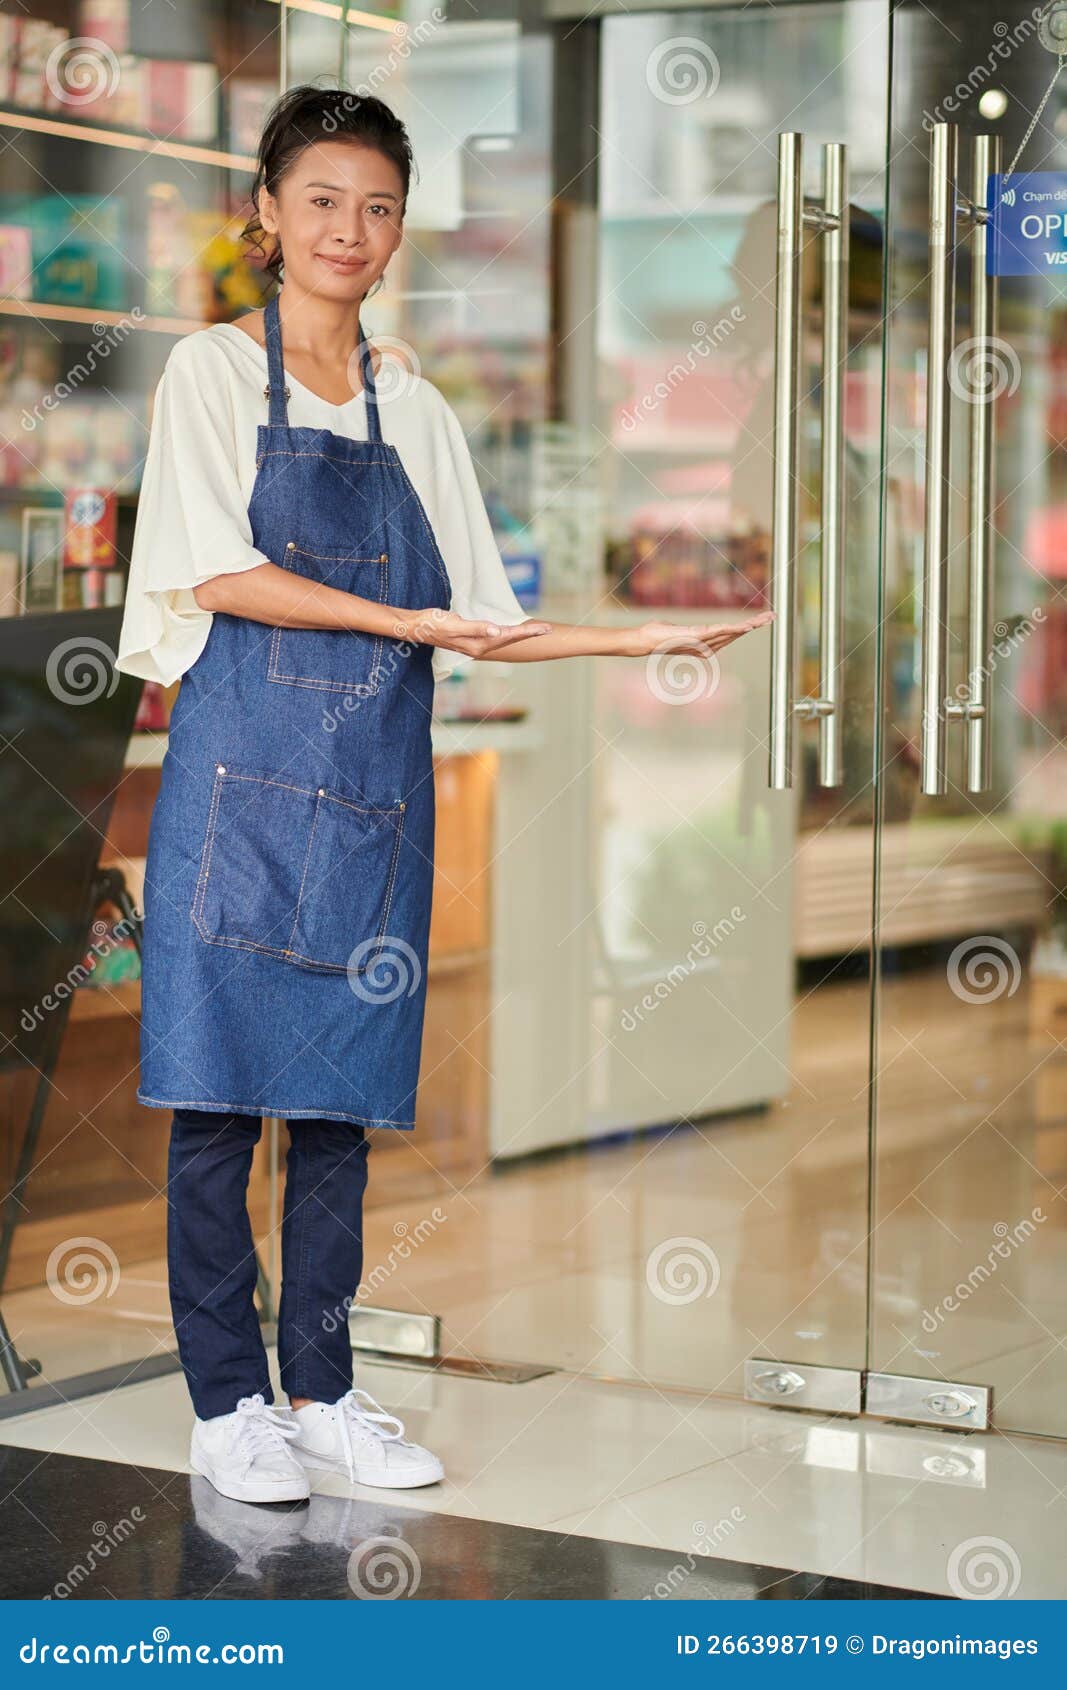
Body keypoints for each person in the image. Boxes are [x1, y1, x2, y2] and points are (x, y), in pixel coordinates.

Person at [116, 83, 773, 1508]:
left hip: (365, 794)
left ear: (400, 225)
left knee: (341, 1105)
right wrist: (406, 628)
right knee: (217, 1101)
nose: (352, 230)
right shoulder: (212, 375)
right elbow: (215, 572)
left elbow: (482, 609)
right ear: (269, 216)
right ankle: (228, 1406)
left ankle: (329, 1391)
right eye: (323, 202)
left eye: (379, 206)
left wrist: (640, 637)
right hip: (238, 788)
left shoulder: (414, 403)